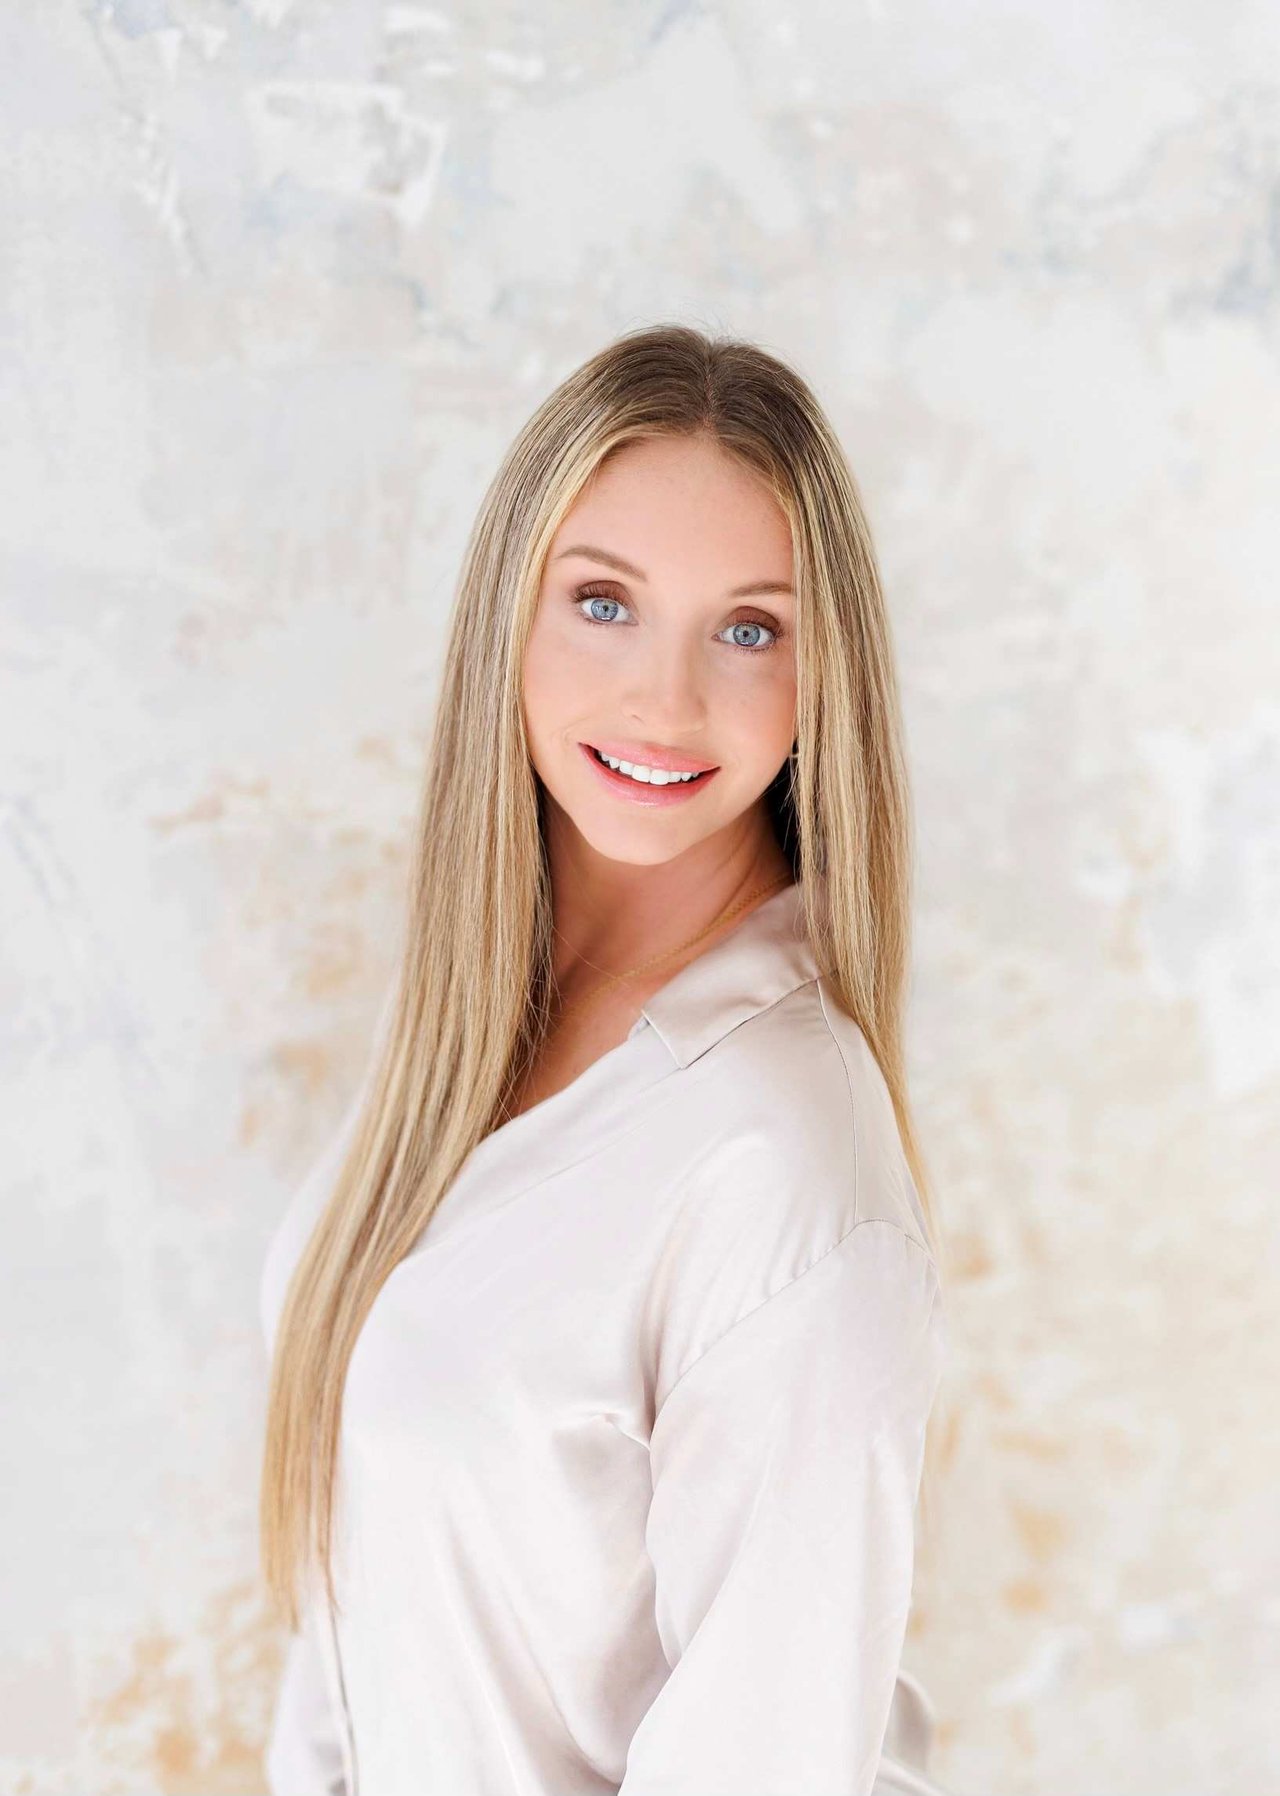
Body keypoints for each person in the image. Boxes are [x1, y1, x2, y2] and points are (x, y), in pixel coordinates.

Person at [257, 323, 951, 1796]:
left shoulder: (783, 1163)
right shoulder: (470, 1021)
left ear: (822, 678)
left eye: (750, 629)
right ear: (508, 613)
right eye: (602, 602)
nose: (664, 702)